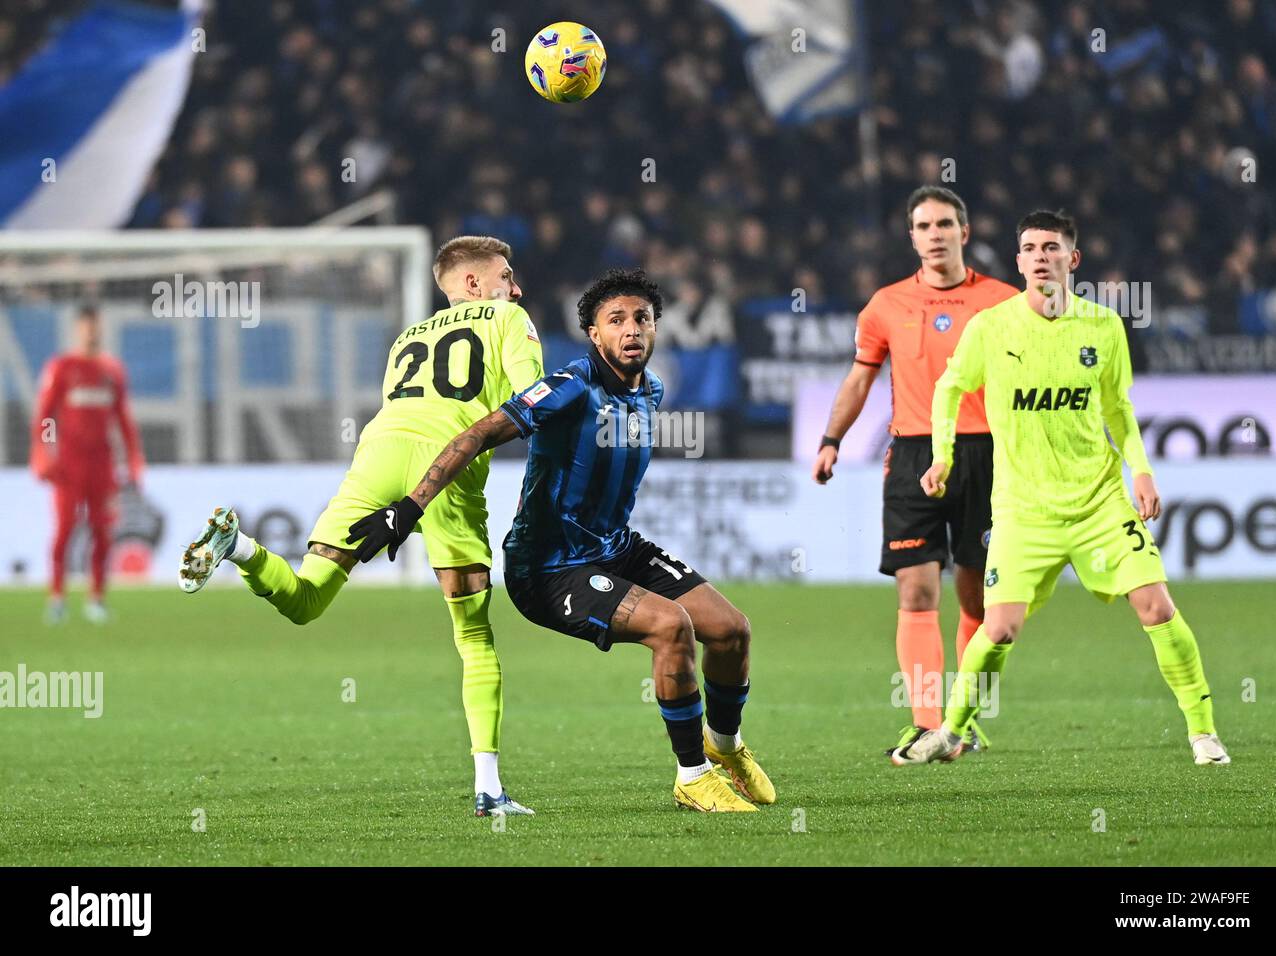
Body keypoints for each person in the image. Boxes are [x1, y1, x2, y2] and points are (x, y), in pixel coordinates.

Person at [346, 268, 775, 812]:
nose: (631, 329)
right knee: (671, 627)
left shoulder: (652, 390)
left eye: (642, 318)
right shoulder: (570, 386)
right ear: (594, 334)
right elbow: (477, 434)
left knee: (732, 631)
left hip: (616, 547)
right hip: (548, 568)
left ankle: (725, 746)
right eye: (615, 320)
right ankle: (692, 778)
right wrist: (410, 507)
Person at [178, 236, 547, 815]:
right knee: (474, 635)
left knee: (306, 599)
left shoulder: (407, 338)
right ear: (474, 284)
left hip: (377, 454)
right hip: (446, 461)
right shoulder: (509, 318)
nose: (516, 288)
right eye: (506, 275)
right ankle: (489, 789)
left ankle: (240, 546)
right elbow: (535, 401)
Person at [895, 209, 1229, 766]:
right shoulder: (992, 328)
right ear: (1018, 261)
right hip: (1024, 511)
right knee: (999, 629)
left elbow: (1118, 408)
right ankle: (951, 731)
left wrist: (1141, 469)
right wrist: (943, 455)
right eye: (1030, 248)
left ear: (1072, 259)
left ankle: (1203, 733)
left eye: (1051, 247)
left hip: (1100, 501)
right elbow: (950, 388)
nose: (1041, 257)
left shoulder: (1104, 326)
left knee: (1156, 607)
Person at [813, 186, 1017, 757]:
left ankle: (963, 721)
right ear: (912, 237)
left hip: (986, 453)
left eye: (944, 224)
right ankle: (928, 723)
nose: (935, 235)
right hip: (913, 454)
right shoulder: (885, 305)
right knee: (917, 587)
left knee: (978, 599)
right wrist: (831, 440)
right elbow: (860, 378)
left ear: (964, 233)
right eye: (924, 226)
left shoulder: (1003, 302)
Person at [31, 305, 144, 624]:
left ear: (101, 329)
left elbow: (122, 420)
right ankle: (57, 597)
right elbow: (46, 415)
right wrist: (44, 452)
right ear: (77, 329)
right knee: (64, 530)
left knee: (102, 531)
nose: (91, 333)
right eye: (86, 327)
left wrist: (133, 459)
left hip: (102, 465)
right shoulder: (62, 367)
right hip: (68, 466)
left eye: (95, 327)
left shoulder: (112, 370)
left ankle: (96, 598)